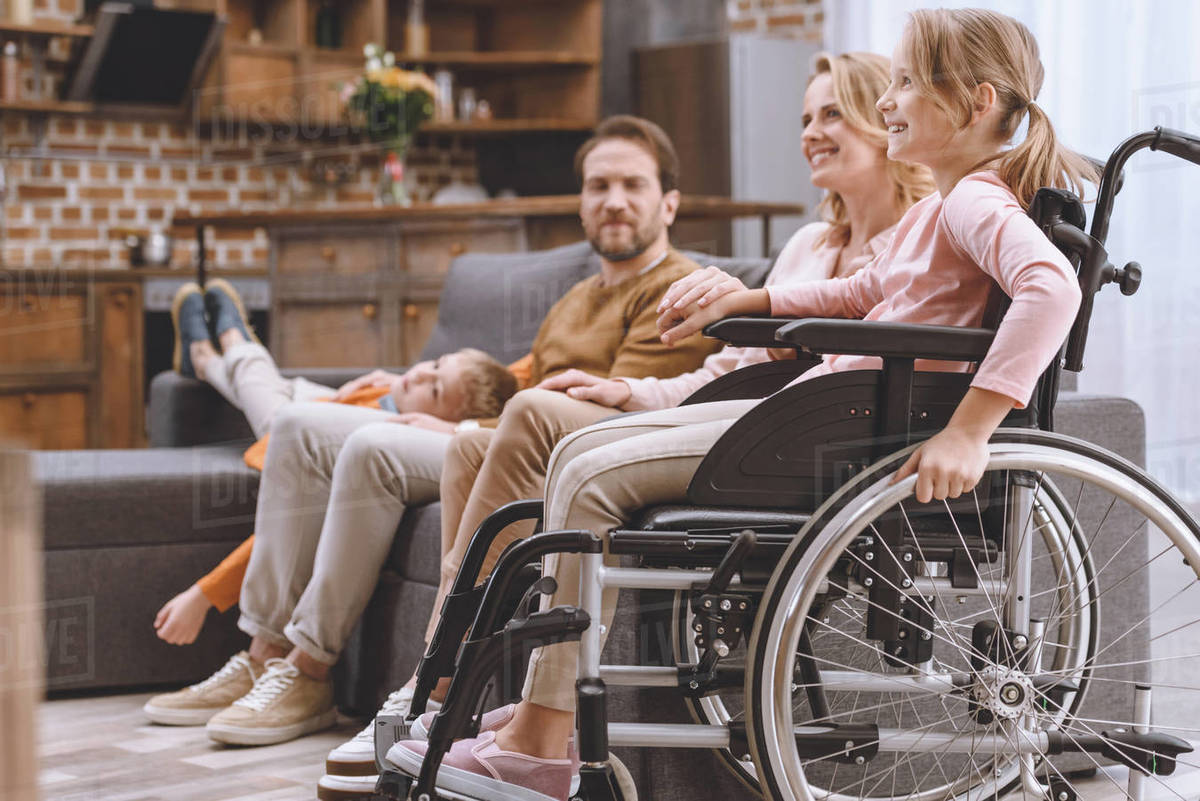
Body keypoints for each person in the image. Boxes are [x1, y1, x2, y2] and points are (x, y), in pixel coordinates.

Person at [387, 10, 1094, 801]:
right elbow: (863, 290)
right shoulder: (943, 204)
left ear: (971, 104)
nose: (887, 100)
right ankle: (538, 718)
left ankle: (544, 739)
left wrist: (971, 430)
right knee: (574, 453)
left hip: (853, 434)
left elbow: (1051, 290)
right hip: (830, 414)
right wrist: (753, 295)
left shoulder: (974, 204)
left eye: (902, 83)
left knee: (589, 477)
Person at [315, 50, 936, 798]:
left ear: (883, 118)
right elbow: (721, 374)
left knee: (556, 435)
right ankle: (454, 677)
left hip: (809, 440)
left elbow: (864, 358)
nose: (811, 131)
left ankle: (463, 692)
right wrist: (629, 392)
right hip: (747, 418)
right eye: (806, 116)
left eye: (832, 112)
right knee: (499, 439)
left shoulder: (920, 238)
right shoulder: (806, 247)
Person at [143, 115, 721, 748]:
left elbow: (600, 420)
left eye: (632, 185)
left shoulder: (675, 291)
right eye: (598, 185)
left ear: (668, 202)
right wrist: (431, 394)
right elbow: (528, 378)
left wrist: (468, 422)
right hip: (501, 435)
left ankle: (311, 670)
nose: (613, 201)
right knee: (300, 427)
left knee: (369, 449)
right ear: (580, 200)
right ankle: (264, 652)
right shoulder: (579, 295)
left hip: (548, 454)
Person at [152, 277, 518, 646]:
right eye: (435, 364)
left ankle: (223, 348)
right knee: (274, 394)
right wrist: (391, 384)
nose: (421, 373)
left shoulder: (380, 442)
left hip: (317, 422)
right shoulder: (389, 389)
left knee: (280, 412)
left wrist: (206, 593)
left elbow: (292, 524)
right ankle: (213, 356)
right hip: (332, 402)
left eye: (435, 390)